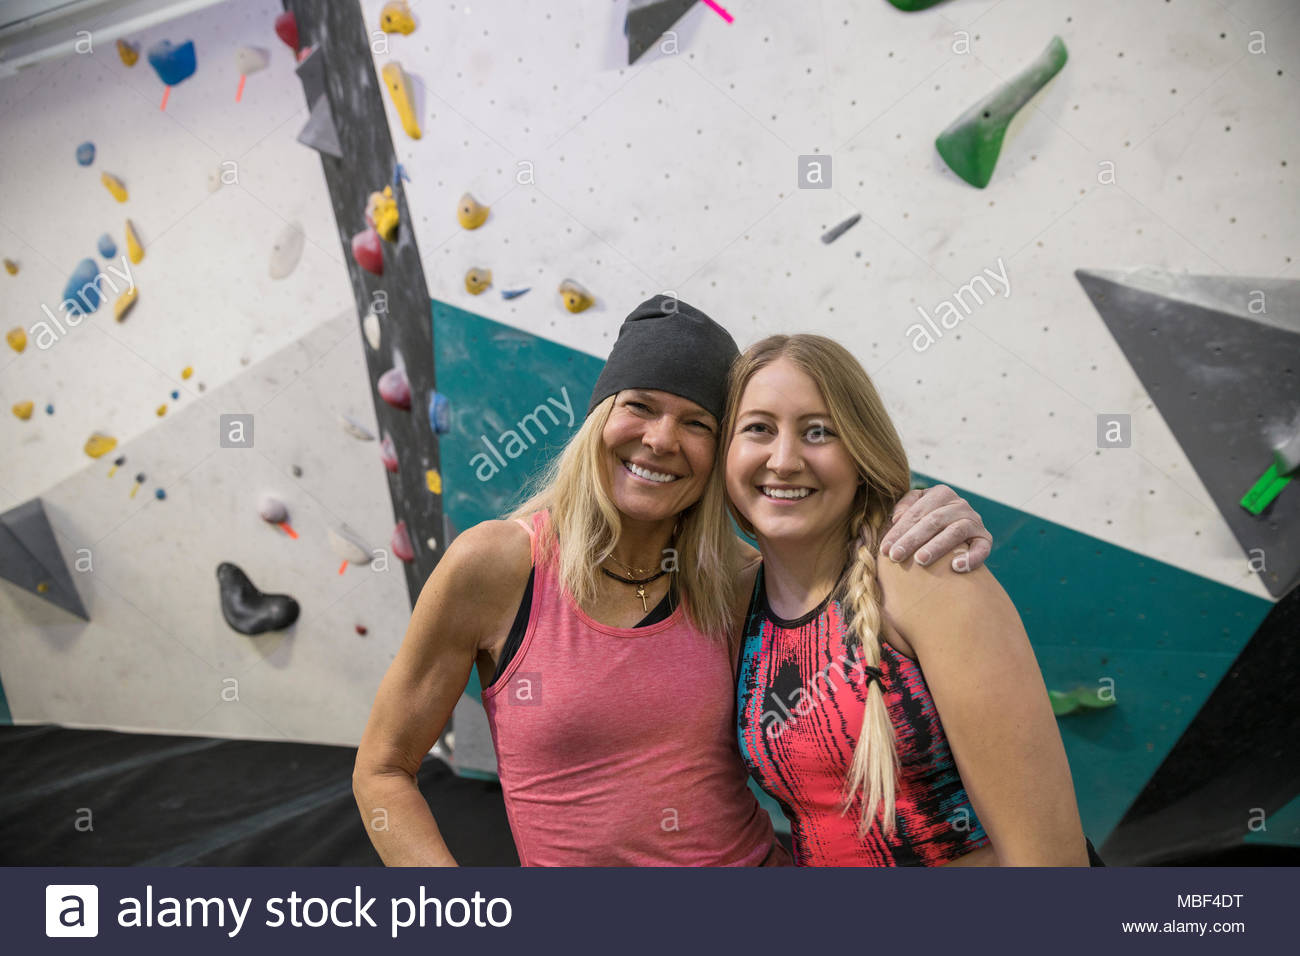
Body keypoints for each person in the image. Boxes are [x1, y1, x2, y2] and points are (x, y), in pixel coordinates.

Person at [352, 296, 994, 866]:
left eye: (698, 424)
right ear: (600, 418)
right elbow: (382, 770)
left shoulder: (744, 583)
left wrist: (924, 511)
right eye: (640, 407)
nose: (661, 440)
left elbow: (851, 553)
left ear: (719, 454)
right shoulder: (494, 566)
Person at [725, 333, 1092, 866]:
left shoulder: (922, 572)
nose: (784, 460)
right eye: (758, 428)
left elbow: (1051, 862)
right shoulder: (739, 598)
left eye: (818, 432)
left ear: (860, 449)